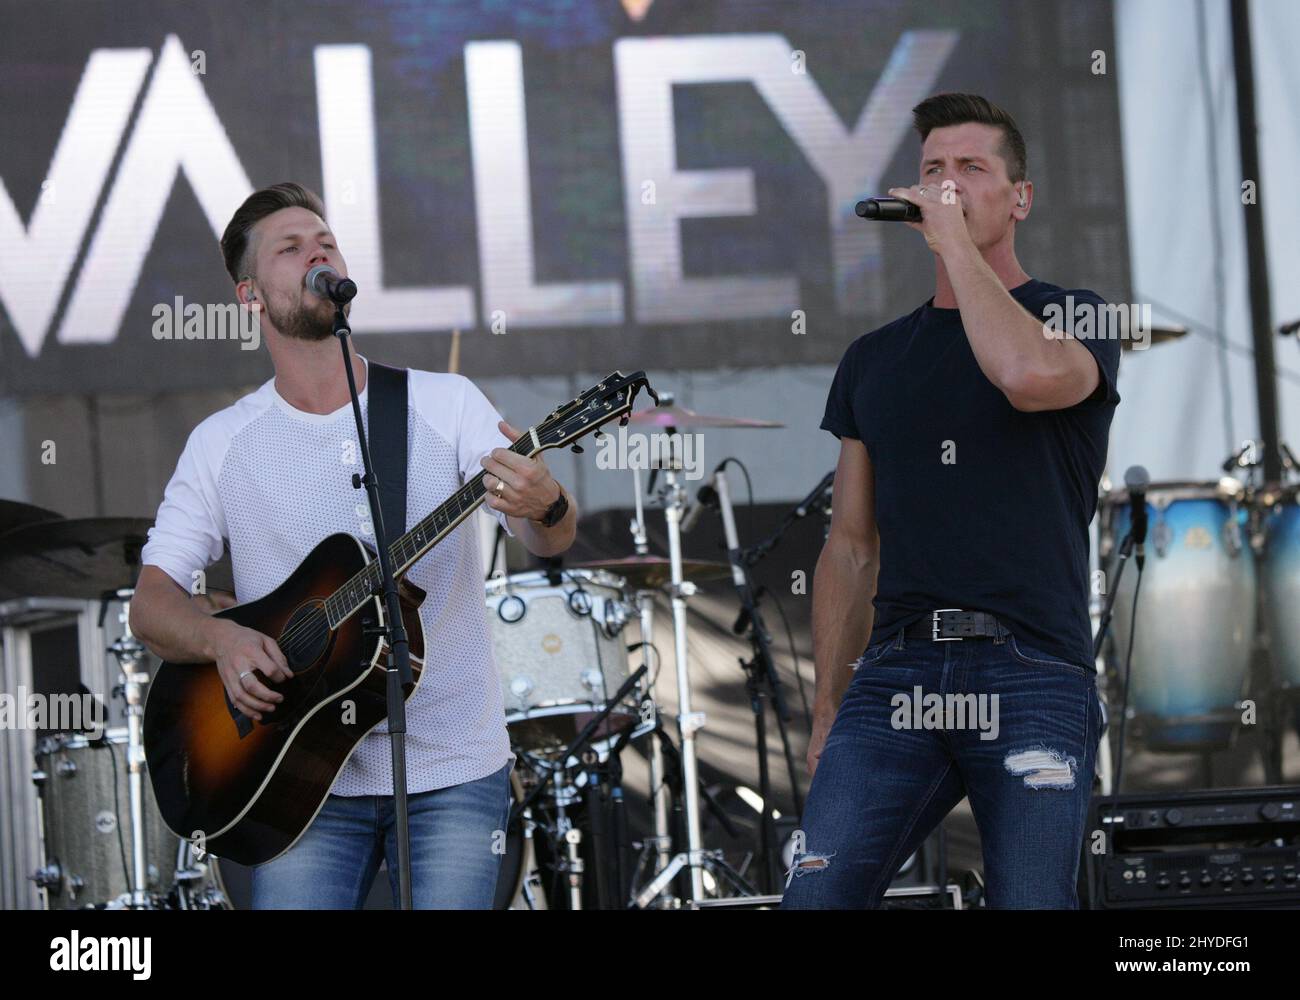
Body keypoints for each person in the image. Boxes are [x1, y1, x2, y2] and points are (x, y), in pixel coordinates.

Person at [130, 182, 576, 908]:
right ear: (250, 296)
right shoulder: (221, 445)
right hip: (295, 780)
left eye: (326, 240)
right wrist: (220, 643)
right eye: (291, 246)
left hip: (456, 770)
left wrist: (548, 503)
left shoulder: (444, 404)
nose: (319, 251)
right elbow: (150, 606)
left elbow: (545, 536)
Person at [782, 94, 1120, 909]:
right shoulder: (874, 358)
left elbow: (1027, 377)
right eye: (932, 169)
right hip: (897, 670)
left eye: (972, 168)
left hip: (1031, 666)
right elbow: (851, 546)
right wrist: (829, 703)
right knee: (815, 899)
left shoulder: (1072, 318)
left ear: (1020, 198)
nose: (946, 182)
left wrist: (955, 247)